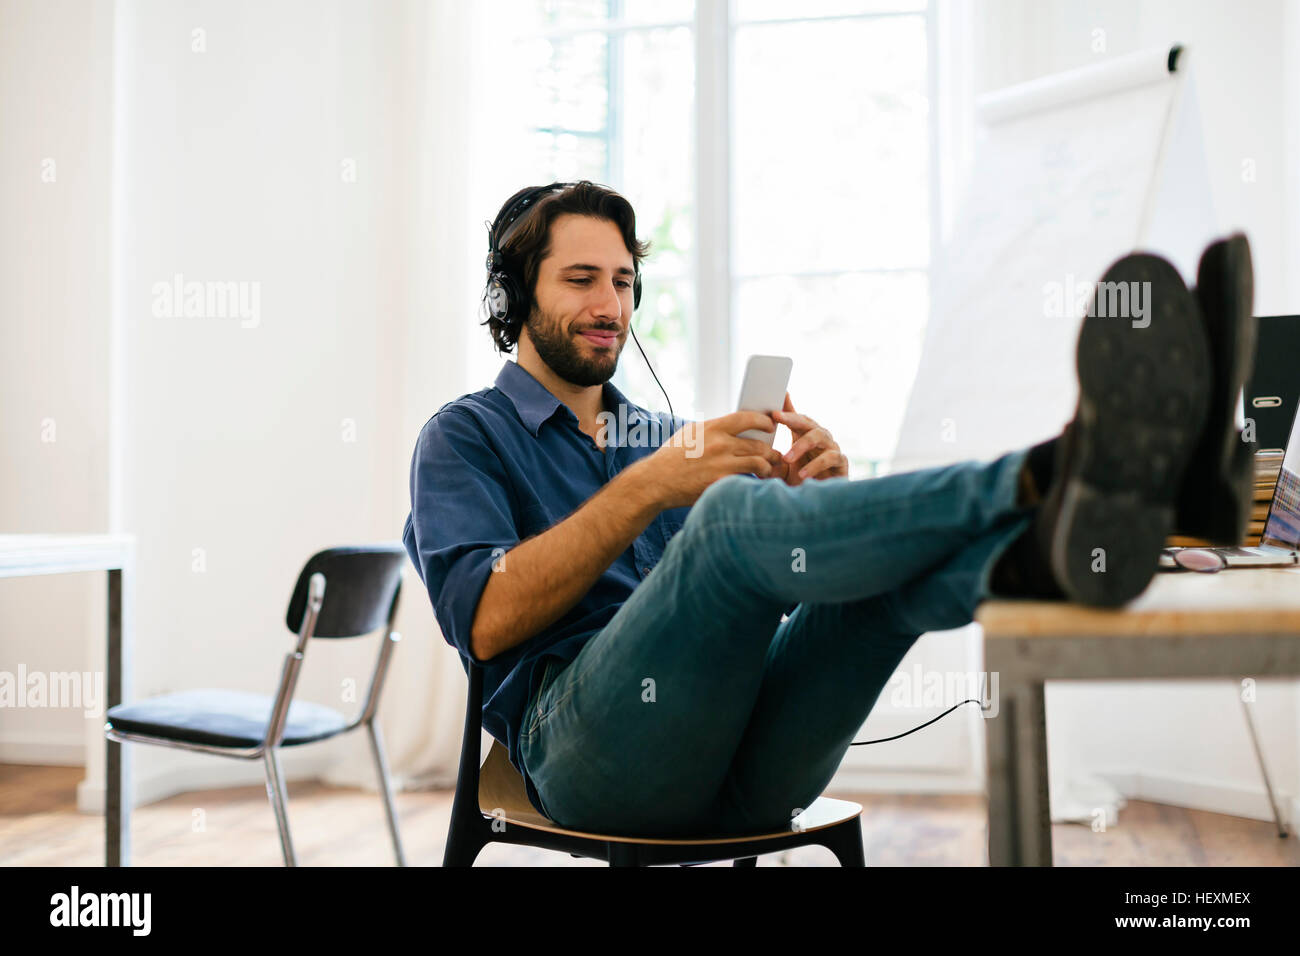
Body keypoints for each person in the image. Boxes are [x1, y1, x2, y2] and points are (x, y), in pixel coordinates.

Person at [402, 180, 1255, 838]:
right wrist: (653, 487)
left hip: (745, 764)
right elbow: (483, 621)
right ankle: (1061, 468)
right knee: (730, 520)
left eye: (623, 281)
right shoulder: (465, 437)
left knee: (890, 589)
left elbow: (770, 614)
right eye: (581, 279)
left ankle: (1063, 535)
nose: (611, 307)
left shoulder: (660, 435)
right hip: (588, 758)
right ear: (516, 299)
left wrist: (825, 510)